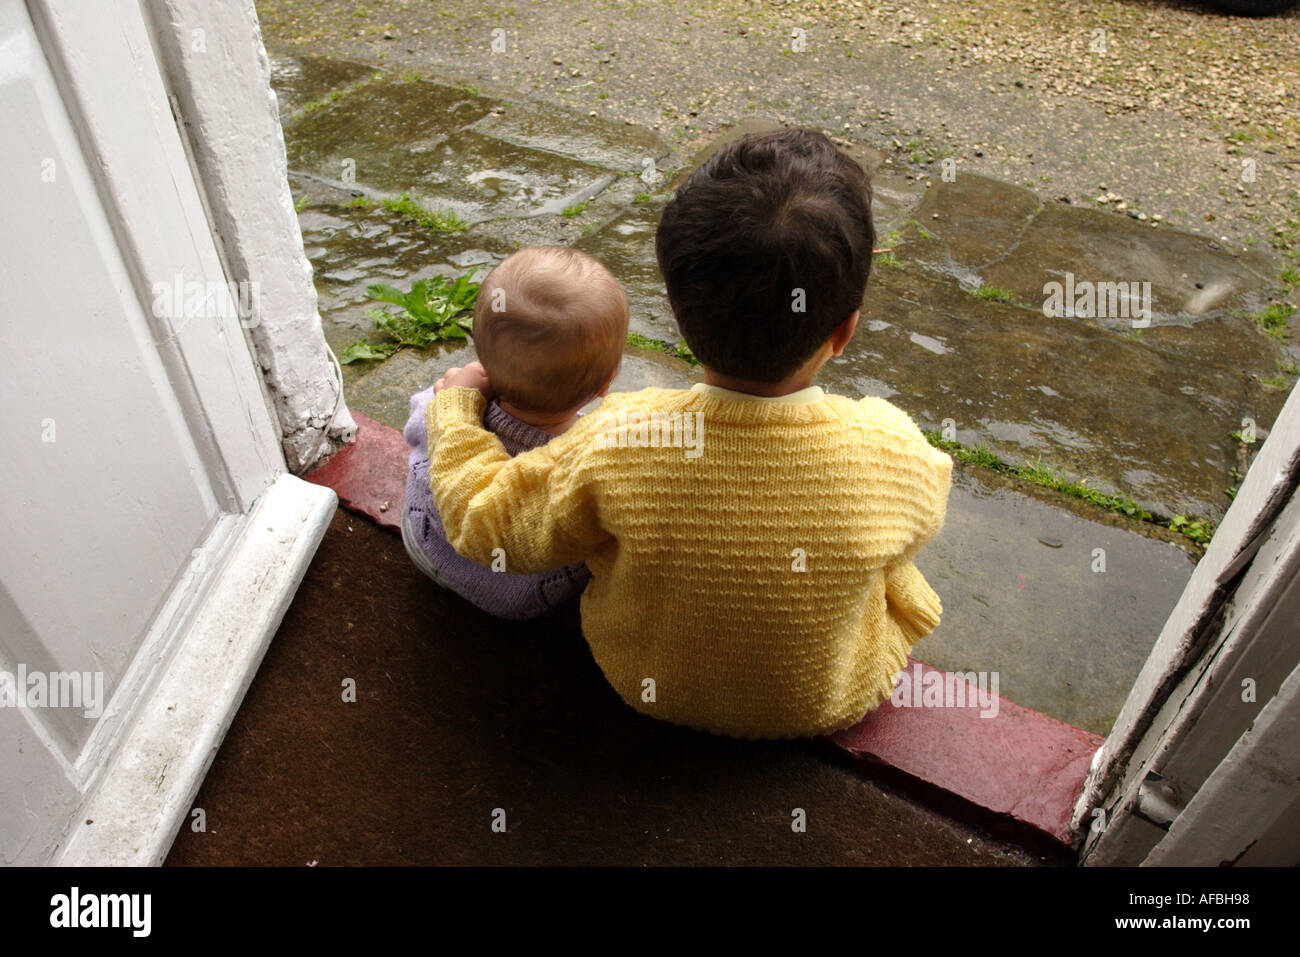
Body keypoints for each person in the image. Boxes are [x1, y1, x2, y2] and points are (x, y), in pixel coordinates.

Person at [427, 127, 953, 739]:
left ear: (678, 314)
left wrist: (457, 411)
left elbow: (481, 523)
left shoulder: (621, 439)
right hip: (831, 696)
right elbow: (920, 518)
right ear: (845, 330)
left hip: (646, 682)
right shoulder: (894, 448)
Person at [402, 245, 628, 620]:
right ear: (606, 385)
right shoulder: (584, 465)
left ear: (482, 357)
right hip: (521, 602)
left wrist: (452, 395)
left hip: (423, 544)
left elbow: (413, 433)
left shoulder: (446, 407)